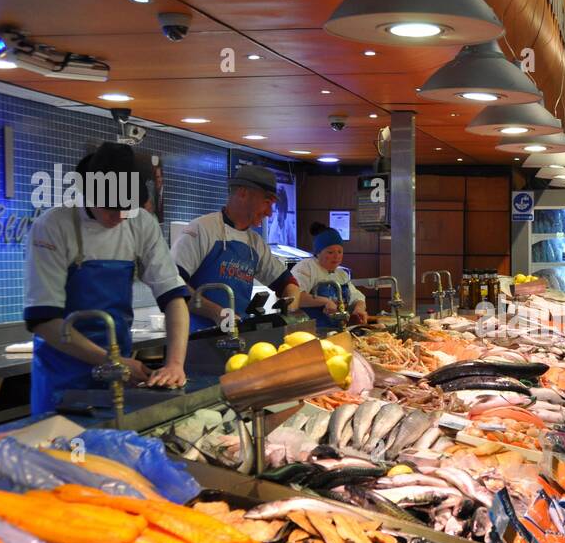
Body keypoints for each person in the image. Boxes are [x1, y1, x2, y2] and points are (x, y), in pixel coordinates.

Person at [24, 142, 190, 416]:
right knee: (65, 453)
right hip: (62, 377)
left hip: (117, 375)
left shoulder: (140, 223)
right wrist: (115, 362)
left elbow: (173, 295)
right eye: (110, 208)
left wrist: (175, 364)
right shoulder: (52, 226)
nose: (119, 217)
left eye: (126, 208)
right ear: (88, 193)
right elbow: (44, 322)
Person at [172, 166, 301, 332]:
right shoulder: (202, 229)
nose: (269, 213)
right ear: (243, 193)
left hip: (238, 335)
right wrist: (217, 313)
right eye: (267, 203)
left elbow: (288, 283)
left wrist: (290, 306)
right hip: (194, 338)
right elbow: (174, 283)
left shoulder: (255, 243)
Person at [291, 229, 367, 331]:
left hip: (336, 330)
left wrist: (359, 308)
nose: (336, 256)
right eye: (330, 252)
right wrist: (325, 301)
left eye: (340, 252)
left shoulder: (341, 274)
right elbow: (296, 296)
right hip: (310, 331)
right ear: (318, 253)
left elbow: (357, 296)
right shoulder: (306, 267)